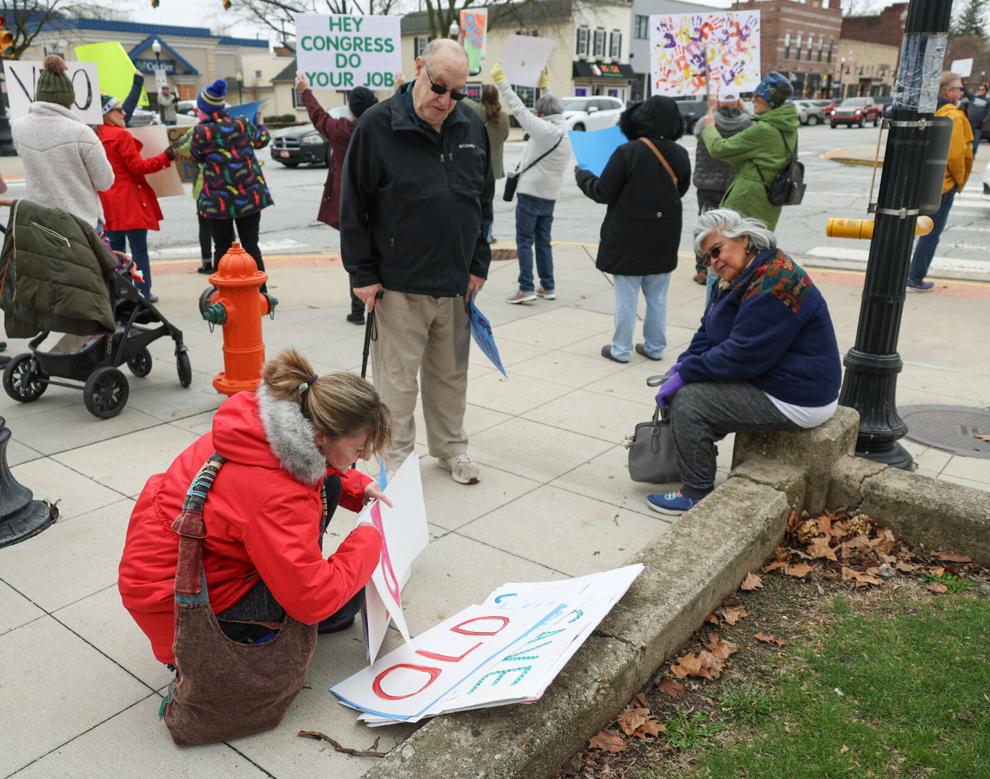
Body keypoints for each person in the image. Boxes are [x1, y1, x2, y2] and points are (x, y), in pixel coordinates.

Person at [118, 347, 393, 669]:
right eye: (359, 449)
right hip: (180, 609)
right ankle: (241, 639)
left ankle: (277, 602)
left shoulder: (262, 429)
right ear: (319, 435)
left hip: (171, 573)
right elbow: (311, 598)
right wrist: (371, 538)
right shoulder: (280, 496)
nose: (364, 458)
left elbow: (303, 480)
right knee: (342, 602)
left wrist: (356, 486)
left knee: (331, 486)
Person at [340, 38, 494, 485]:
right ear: (418, 68)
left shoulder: (470, 124)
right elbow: (354, 208)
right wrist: (363, 274)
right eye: (440, 87)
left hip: (455, 281)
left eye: (458, 93)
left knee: (451, 376)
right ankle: (397, 460)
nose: (446, 101)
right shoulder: (377, 125)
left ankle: (451, 449)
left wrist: (478, 264)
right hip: (399, 282)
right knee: (397, 382)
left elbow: (481, 203)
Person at [645, 209, 840, 516]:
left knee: (690, 402)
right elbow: (708, 332)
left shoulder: (776, 281)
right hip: (772, 377)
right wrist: (683, 365)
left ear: (744, 239)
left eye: (717, 250)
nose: (713, 261)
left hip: (799, 394)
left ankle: (696, 492)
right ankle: (693, 453)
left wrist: (687, 375)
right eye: (707, 257)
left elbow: (742, 355)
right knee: (688, 386)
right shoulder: (741, 276)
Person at [575, 96, 691, 364]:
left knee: (626, 296)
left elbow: (603, 192)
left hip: (629, 235)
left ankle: (621, 349)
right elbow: (680, 190)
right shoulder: (680, 153)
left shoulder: (628, 151)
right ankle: (655, 347)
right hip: (665, 233)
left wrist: (583, 176)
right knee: (658, 296)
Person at [295, 74, 379, 326]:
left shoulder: (342, 131)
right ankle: (379, 301)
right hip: (378, 203)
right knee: (379, 252)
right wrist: (399, 87)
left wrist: (305, 90)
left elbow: (318, 116)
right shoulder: (381, 127)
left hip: (350, 205)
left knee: (354, 257)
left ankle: (357, 311)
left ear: (351, 108)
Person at [490, 63, 571, 304]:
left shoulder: (545, 130)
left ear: (542, 115)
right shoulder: (564, 129)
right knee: (543, 241)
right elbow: (550, 106)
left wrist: (502, 82)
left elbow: (519, 109)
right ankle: (548, 285)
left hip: (531, 194)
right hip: (550, 196)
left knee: (524, 241)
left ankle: (526, 287)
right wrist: (545, 87)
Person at [10, 55, 114, 228]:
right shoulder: (82, 132)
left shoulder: (18, 127)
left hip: (41, 222)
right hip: (82, 223)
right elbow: (105, 181)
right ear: (69, 99)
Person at [190, 79, 274, 287]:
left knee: (222, 247)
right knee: (251, 246)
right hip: (249, 197)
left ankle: (223, 292)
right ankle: (259, 292)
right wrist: (260, 123)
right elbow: (262, 140)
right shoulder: (242, 123)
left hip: (218, 201)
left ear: (205, 109)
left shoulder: (201, 132)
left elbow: (196, 157)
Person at [97, 95, 175, 303]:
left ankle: (118, 293)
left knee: (114, 253)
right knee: (138, 250)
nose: (123, 113)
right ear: (106, 113)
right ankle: (142, 291)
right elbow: (137, 168)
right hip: (129, 202)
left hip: (107, 203)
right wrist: (164, 158)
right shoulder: (120, 136)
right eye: (118, 110)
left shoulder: (95, 135)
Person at [697, 72, 799, 232]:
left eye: (756, 96)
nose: (752, 100)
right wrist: (748, 113)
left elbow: (719, 149)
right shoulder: (786, 126)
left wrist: (709, 126)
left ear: (768, 100)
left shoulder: (764, 129)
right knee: (756, 248)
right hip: (769, 199)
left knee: (733, 249)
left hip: (746, 201)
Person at [907, 72, 974, 293]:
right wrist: (959, 180)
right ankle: (915, 277)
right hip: (942, 184)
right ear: (948, 91)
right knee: (930, 232)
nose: (961, 92)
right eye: (959, 88)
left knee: (907, 228)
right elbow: (956, 155)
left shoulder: (925, 111)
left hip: (918, 179)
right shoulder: (953, 116)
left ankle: (900, 273)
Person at [692, 92, 751, 286]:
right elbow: (756, 124)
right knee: (730, 230)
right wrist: (745, 110)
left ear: (718, 102)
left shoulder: (707, 122)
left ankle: (703, 268)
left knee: (705, 227)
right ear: (738, 102)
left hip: (707, 184)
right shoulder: (747, 124)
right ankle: (728, 267)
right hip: (733, 185)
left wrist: (711, 109)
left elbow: (696, 130)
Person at [469, 84, 509, 243]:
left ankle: (475, 232)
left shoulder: (476, 112)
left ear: (482, 96)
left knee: (475, 201)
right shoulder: (504, 117)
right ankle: (488, 234)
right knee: (488, 202)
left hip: (477, 165)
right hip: (494, 167)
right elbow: (505, 137)